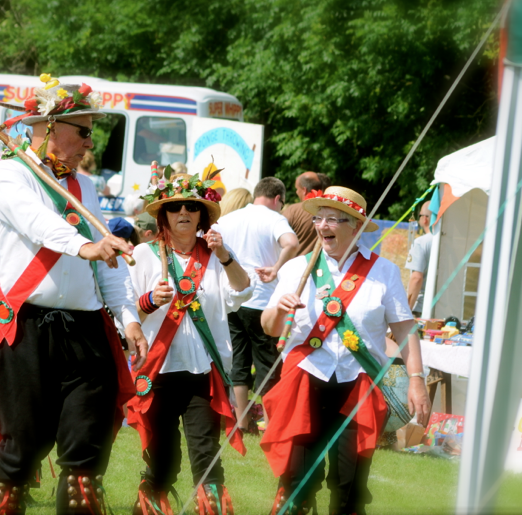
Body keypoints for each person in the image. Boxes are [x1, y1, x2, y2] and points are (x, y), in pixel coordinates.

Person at [0, 75, 147, 515]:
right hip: (27, 328)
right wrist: (85, 245)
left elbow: (106, 262)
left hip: (85, 330)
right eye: (84, 131)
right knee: (22, 447)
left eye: (91, 132)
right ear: (49, 126)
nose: (91, 142)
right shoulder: (9, 173)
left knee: (86, 449)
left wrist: (128, 318)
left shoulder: (84, 186)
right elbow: (37, 222)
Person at [260, 186, 430, 515]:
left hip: (358, 386)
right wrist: (278, 310)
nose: (322, 226)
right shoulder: (296, 269)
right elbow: (268, 327)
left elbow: (405, 329)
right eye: (318, 218)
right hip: (305, 383)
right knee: (297, 481)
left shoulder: (383, 272)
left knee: (349, 488)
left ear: (354, 224)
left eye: (333, 219)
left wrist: (417, 380)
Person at [127, 172, 253, 514]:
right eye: (175, 207)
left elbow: (242, 291)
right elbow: (124, 310)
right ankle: (148, 506)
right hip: (159, 372)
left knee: (207, 457)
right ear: (163, 215)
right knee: (164, 459)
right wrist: (151, 299)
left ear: (202, 215)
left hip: (203, 373)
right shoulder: (144, 255)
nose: (183, 212)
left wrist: (225, 255)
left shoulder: (215, 257)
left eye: (191, 207)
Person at [216, 177, 299, 433]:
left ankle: (241, 422)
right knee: (267, 363)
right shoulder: (273, 218)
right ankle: (271, 423)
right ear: (277, 199)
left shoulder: (230, 217)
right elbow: (292, 243)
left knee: (239, 360)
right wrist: (276, 268)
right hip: (262, 300)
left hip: (232, 297)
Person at [283, 171, 324, 256]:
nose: (296, 192)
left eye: (297, 189)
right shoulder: (331, 210)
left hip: (296, 265)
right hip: (323, 266)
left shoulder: (293, 211)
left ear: (304, 190)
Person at [405, 203, 433, 317]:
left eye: (420, 215)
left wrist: (406, 311)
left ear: (425, 219)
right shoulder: (451, 241)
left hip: (421, 308)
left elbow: (416, 278)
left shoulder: (421, 242)